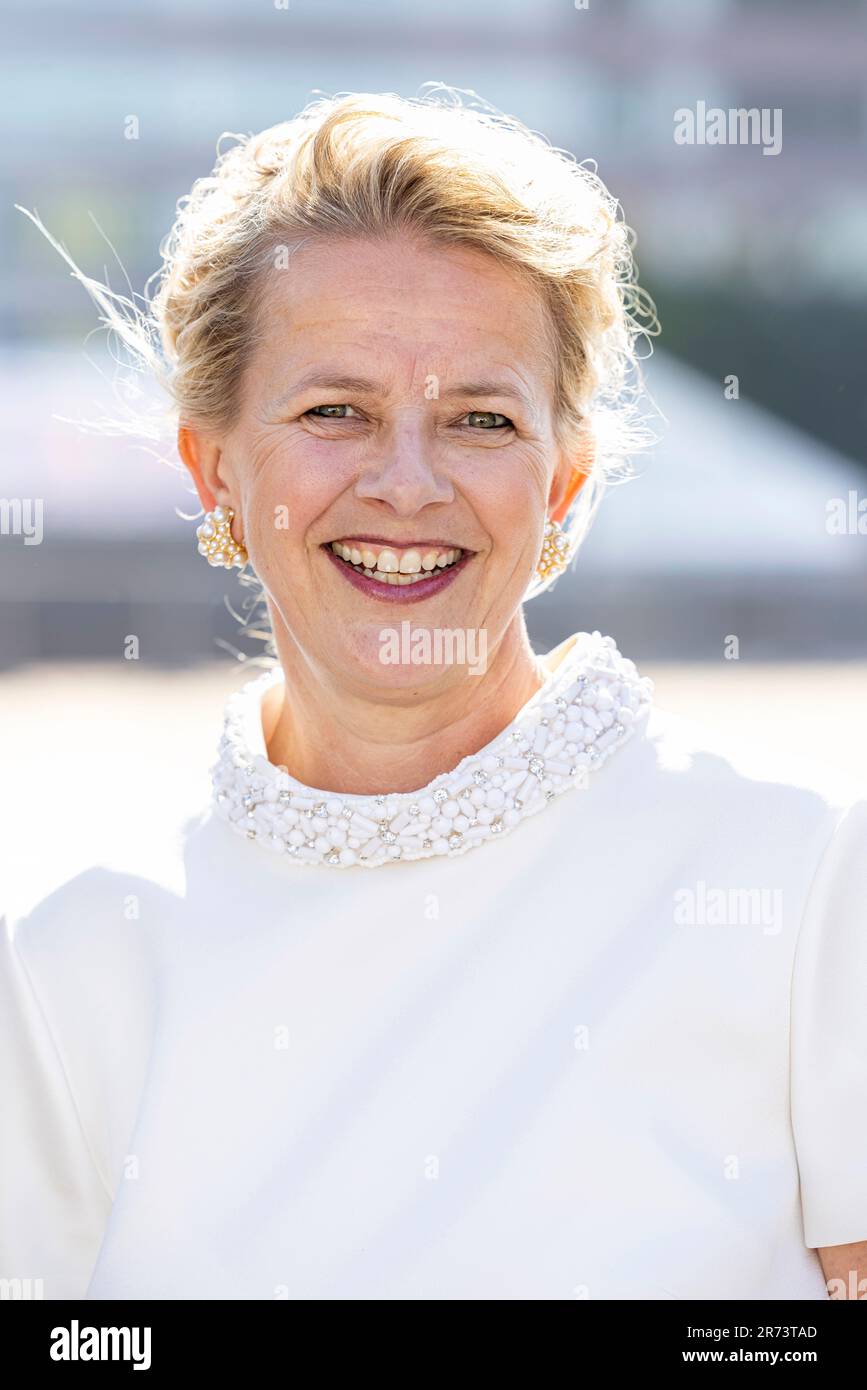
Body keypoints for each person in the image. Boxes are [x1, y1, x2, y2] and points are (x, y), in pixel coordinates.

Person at [2, 91, 865, 1301]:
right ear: (216, 469)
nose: (406, 484)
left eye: (480, 419)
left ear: (563, 483)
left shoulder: (807, 876)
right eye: (335, 411)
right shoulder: (71, 958)